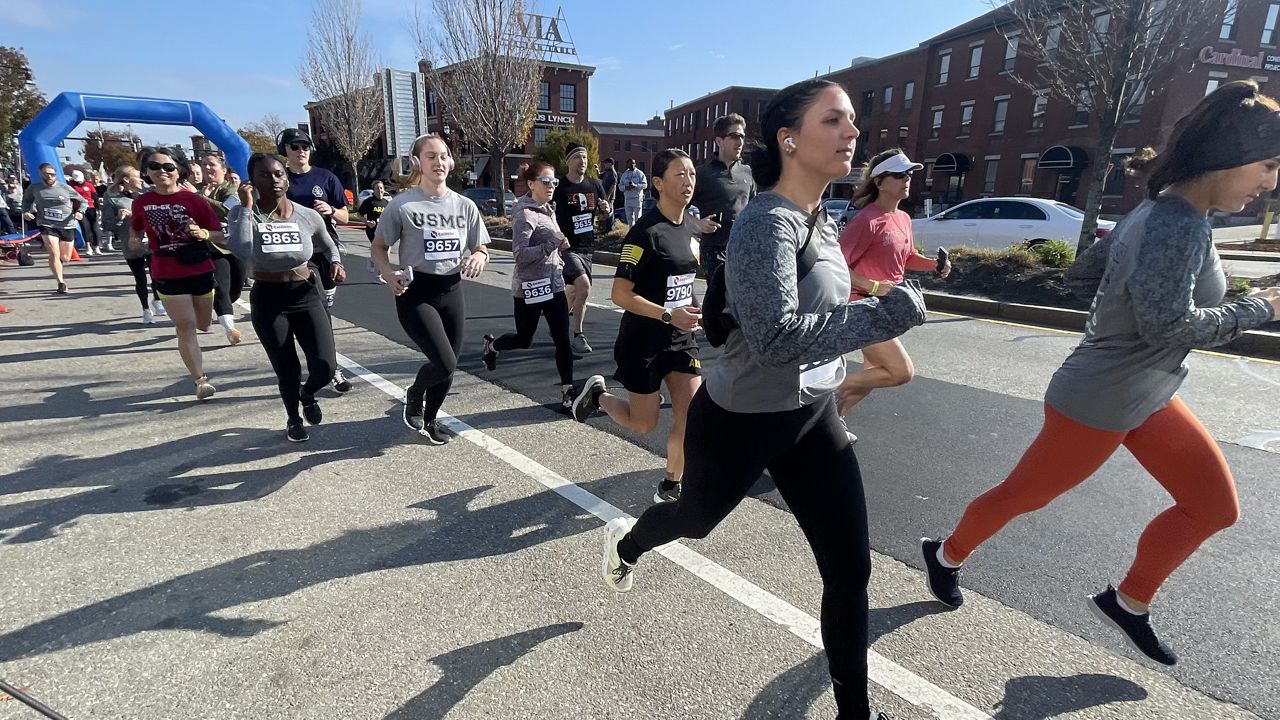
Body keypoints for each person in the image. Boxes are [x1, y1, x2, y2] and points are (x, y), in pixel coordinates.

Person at [920, 81, 1280, 668]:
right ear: (1227, 154)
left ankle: (1128, 602)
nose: (1271, 182)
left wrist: (1130, 301)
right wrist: (1262, 308)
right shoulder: (1177, 223)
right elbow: (1169, 327)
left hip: (1146, 391)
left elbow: (1085, 276)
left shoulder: (1161, 210)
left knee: (1213, 506)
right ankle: (947, 554)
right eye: (1267, 165)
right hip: (1100, 398)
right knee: (1022, 496)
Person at [598, 79, 925, 720]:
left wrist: (880, 297)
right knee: (691, 520)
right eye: (834, 121)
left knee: (849, 570)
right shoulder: (765, 224)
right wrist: (883, 320)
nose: (852, 133)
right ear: (789, 139)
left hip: (810, 417)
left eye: (852, 121)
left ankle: (853, 713)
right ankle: (628, 545)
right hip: (741, 418)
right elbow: (776, 341)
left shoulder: (821, 221)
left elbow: (828, 307)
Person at [573, 149, 704, 504]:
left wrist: (693, 308)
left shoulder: (691, 228)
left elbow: (682, 280)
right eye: (679, 174)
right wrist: (666, 314)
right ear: (658, 183)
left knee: (693, 418)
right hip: (643, 341)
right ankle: (598, 396)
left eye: (691, 174)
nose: (688, 181)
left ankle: (671, 483)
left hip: (681, 339)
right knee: (644, 423)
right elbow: (619, 294)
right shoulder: (644, 233)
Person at [370, 134, 490, 445]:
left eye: (443, 156)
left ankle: (432, 419)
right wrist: (387, 273)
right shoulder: (402, 205)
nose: (438, 162)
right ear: (417, 163)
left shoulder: (464, 206)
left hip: (451, 289)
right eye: (430, 156)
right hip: (416, 291)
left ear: (451, 162)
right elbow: (379, 247)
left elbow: (481, 247)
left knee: (450, 363)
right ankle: (415, 394)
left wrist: (479, 255)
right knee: (444, 361)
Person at [228, 153, 345, 442]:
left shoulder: (307, 215)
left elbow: (329, 245)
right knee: (287, 368)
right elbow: (242, 250)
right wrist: (246, 207)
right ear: (251, 181)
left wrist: (336, 263)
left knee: (326, 366)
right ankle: (293, 418)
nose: (274, 180)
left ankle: (308, 394)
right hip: (269, 298)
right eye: (265, 175)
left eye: (279, 174)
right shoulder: (243, 214)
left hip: (305, 293)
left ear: (287, 178)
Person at [836, 149, 950, 417]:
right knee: (900, 372)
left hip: (888, 306)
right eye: (898, 175)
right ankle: (820, 391)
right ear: (878, 182)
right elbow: (836, 267)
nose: (907, 179)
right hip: (862, 308)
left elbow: (907, 255)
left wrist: (934, 264)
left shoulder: (903, 218)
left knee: (873, 374)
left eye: (908, 174)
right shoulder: (867, 220)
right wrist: (874, 287)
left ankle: (831, 421)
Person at [129, 147, 224, 400]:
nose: (162, 171)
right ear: (146, 172)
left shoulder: (194, 201)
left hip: (199, 266)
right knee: (185, 325)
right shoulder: (141, 203)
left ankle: (203, 330)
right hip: (166, 269)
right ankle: (200, 380)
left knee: (203, 324)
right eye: (155, 167)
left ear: (178, 170)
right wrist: (135, 241)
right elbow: (135, 230)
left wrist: (203, 234)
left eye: (168, 167)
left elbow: (219, 234)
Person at [481, 161, 576, 409]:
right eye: (546, 182)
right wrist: (550, 245)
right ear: (532, 183)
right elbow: (520, 254)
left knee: (562, 340)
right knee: (524, 339)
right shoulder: (524, 213)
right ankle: (491, 346)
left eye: (554, 182)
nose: (551, 186)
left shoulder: (548, 210)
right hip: (530, 288)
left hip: (553, 285)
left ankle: (568, 391)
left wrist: (560, 246)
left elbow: (552, 241)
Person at [280, 127, 353, 393]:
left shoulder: (325, 177)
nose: (301, 151)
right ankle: (321, 367)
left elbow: (346, 216)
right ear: (284, 150)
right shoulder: (279, 178)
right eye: (295, 146)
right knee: (306, 313)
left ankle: (327, 366)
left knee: (324, 312)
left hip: (323, 251)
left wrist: (331, 210)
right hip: (291, 255)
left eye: (305, 146)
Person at [553, 143, 611, 355]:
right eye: (577, 157)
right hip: (567, 247)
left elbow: (605, 214)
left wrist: (607, 210)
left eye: (585, 157)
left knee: (573, 292)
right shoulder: (559, 187)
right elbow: (546, 212)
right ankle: (578, 335)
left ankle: (557, 325)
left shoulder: (594, 185)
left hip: (587, 246)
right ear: (568, 160)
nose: (582, 161)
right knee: (584, 286)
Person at [692, 114, 758, 280]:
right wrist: (698, 223)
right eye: (734, 136)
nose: (740, 141)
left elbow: (754, 209)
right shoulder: (702, 174)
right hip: (714, 249)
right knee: (719, 299)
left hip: (743, 248)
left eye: (742, 136)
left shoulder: (748, 172)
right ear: (719, 141)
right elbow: (675, 206)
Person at [198, 154, 247, 345]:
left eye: (212, 165)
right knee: (222, 289)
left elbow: (230, 210)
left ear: (223, 170)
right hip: (212, 247)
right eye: (204, 165)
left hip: (234, 245)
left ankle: (217, 308)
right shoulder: (198, 192)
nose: (208, 168)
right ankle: (230, 329)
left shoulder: (230, 189)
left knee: (235, 290)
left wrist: (203, 199)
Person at [101, 165, 157, 323]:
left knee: (157, 275)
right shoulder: (113, 199)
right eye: (137, 176)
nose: (141, 179)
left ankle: (158, 300)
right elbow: (107, 225)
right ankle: (146, 309)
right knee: (140, 279)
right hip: (130, 243)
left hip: (152, 241)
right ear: (126, 179)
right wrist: (119, 218)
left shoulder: (149, 194)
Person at [22, 163, 84, 294]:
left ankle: (57, 263)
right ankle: (61, 282)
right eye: (46, 174)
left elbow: (82, 201)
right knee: (54, 253)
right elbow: (26, 201)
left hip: (67, 224)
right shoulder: (35, 188)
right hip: (47, 224)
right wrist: (26, 212)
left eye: (52, 174)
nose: (50, 176)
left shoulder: (65, 188)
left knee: (65, 257)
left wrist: (80, 212)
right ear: (41, 174)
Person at [358, 180, 391, 284]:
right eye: (377, 188)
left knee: (386, 251)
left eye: (381, 188)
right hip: (373, 230)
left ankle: (373, 260)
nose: (380, 190)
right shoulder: (369, 202)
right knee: (382, 251)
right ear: (374, 190)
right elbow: (359, 214)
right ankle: (378, 275)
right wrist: (367, 222)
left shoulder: (386, 202)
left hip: (384, 230)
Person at [66, 170, 101, 256]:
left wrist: (98, 208)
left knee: (94, 228)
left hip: (91, 208)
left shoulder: (89, 185)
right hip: (79, 210)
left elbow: (95, 196)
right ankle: (88, 247)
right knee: (85, 227)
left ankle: (96, 246)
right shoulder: (71, 185)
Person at [619, 158, 647, 227]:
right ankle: (631, 233)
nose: (632, 165)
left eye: (633, 163)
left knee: (638, 217)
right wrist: (626, 187)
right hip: (628, 199)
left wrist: (636, 186)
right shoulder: (624, 175)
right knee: (629, 218)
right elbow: (620, 186)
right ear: (627, 164)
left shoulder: (639, 173)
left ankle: (638, 234)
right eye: (630, 163)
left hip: (637, 199)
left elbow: (645, 185)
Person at [600, 157, 619, 233]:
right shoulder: (606, 172)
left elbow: (613, 186)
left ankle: (610, 229)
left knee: (609, 212)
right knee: (605, 212)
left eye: (606, 163)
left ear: (610, 164)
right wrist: (597, 169)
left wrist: (607, 196)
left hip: (609, 197)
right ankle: (605, 229)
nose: (604, 165)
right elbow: (600, 176)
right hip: (605, 195)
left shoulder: (613, 173)